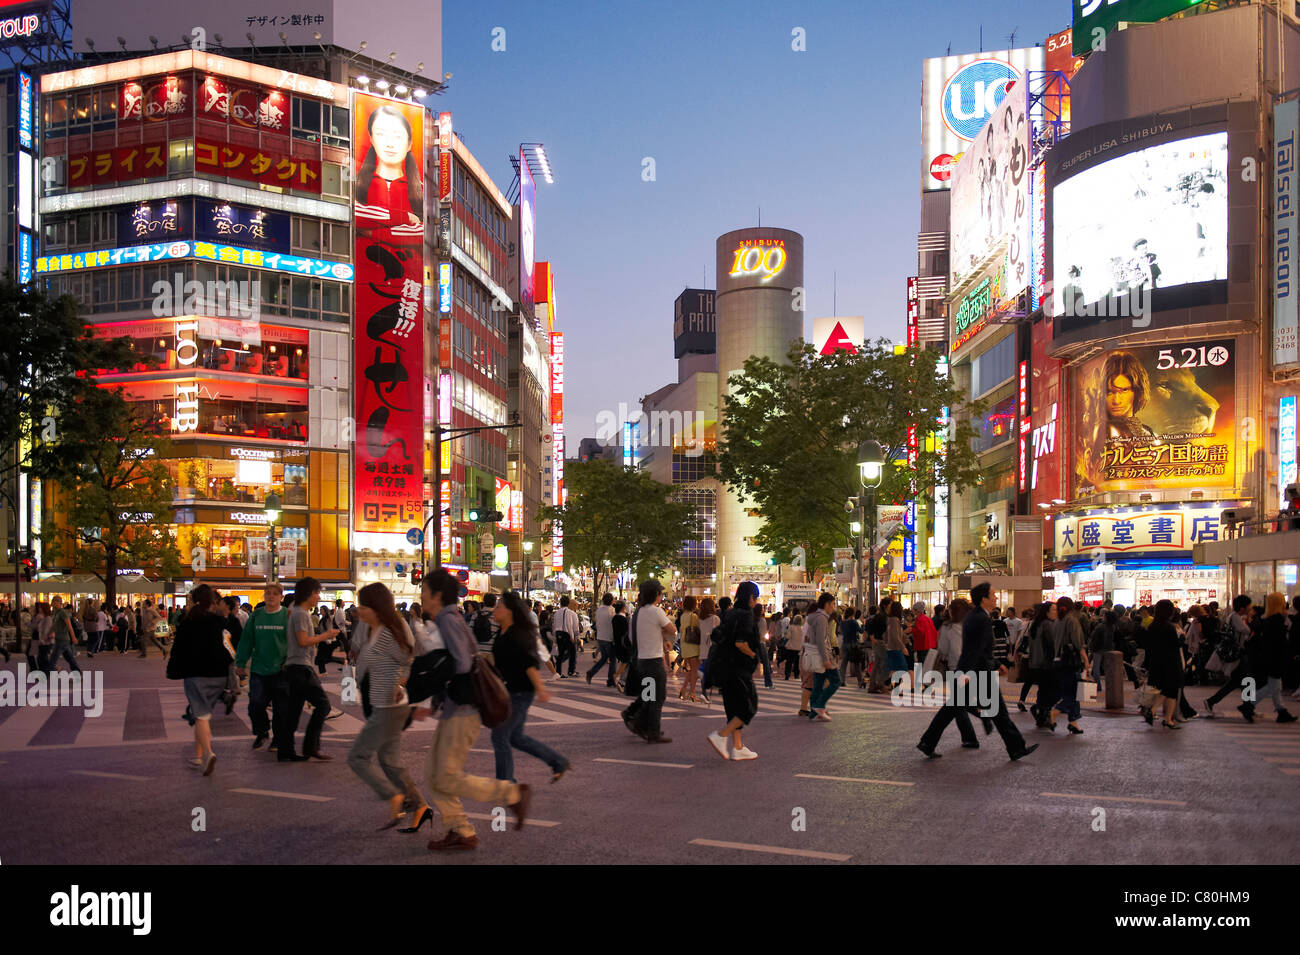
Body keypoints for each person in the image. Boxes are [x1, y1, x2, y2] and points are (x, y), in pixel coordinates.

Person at [418, 568, 530, 852]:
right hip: (454, 708)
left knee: (445, 775)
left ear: (436, 595)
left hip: (463, 710)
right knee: (434, 774)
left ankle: (510, 792)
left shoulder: (448, 620)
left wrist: (431, 678)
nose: (421, 595)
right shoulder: (448, 619)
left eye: (424, 590)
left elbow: (462, 664)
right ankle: (460, 829)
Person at [917, 583, 1038, 761]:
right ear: (984, 598)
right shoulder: (979, 618)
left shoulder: (976, 616)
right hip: (977, 674)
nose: (996, 598)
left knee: (952, 709)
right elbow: (974, 649)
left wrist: (995, 663)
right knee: (995, 712)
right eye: (993, 595)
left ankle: (927, 742)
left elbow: (977, 649)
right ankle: (1016, 748)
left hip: (974, 671)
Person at [347, 582, 429, 829]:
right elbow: (358, 652)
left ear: (376, 606)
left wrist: (399, 683)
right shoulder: (369, 627)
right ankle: (420, 805)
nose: (359, 610)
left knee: (358, 757)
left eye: (364, 605)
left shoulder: (392, 629)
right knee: (388, 758)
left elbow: (410, 659)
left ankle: (395, 796)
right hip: (375, 698)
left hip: (389, 703)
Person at [490, 591, 570, 783]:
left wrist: (540, 688)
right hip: (510, 690)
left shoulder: (517, 635)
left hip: (520, 692)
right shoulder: (502, 633)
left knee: (500, 735)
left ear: (509, 612)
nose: (495, 609)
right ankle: (557, 761)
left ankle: (506, 784)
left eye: (499, 606)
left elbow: (528, 664)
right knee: (515, 737)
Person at [168, 585, 236, 776]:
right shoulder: (219, 622)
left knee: (201, 716)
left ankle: (207, 753)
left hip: (196, 674)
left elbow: (178, 649)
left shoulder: (188, 622)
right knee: (203, 716)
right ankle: (198, 755)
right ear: (212, 602)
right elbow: (229, 647)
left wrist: (173, 669)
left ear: (193, 600)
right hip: (219, 675)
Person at [275, 577, 340, 762]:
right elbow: (303, 641)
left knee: (294, 711)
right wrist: (325, 635)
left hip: (295, 667)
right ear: (309, 594)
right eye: (317, 593)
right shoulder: (301, 614)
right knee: (323, 705)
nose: (318, 597)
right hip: (301, 667)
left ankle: (286, 750)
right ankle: (310, 746)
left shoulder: (295, 611)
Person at [706, 581, 763, 760]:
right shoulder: (747, 615)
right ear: (751, 597)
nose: (756, 601)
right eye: (756, 597)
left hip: (724, 667)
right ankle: (721, 735)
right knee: (749, 706)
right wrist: (754, 656)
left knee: (734, 707)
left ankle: (737, 747)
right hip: (739, 668)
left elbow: (719, 635)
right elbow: (740, 643)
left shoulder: (729, 614)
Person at [235, 583, 290, 751]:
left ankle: (277, 739)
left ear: (281, 596)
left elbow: (293, 642)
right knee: (255, 704)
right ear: (264, 596)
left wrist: (288, 661)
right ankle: (262, 731)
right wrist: (241, 662)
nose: (271, 596)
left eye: (275, 594)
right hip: (259, 669)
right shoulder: (257, 615)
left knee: (280, 708)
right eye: (268, 593)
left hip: (280, 670)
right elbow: (247, 639)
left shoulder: (287, 615)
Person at [621, 579, 676, 744]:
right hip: (653, 662)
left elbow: (632, 638)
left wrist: (658, 636)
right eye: (660, 593)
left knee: (648, 695)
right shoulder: (656, 611)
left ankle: (640, 722)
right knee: (657, 697)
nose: (661, 596)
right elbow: (672, 629)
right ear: (656, 594)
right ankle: (649, 729)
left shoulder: (637, 613)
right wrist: (663, 635)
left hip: (641, 662)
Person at [1238, 593, 1298, 724]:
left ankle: (1281, 711)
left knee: (1276, 686)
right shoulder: (1277, 620)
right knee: (1273, 686)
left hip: (1269, 658)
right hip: (1275, 659)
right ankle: (1249, 706)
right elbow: (1279, 642)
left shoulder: (1268, 619)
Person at [1204, 595, 1253, 718]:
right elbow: (1246, 630)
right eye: (1248, 606)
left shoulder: (1233, 616)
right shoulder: (1236, 618)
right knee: (1247, 680)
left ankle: (1213, 701)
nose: (1250, 608)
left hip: (1237, 653)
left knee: (1238, 681)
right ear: (1242, 607)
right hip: (1238, 653)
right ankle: (1247, 707)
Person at [1048, 597, 1090, 735]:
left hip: (1058, 661)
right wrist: (1086, 659)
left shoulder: (1057, 622)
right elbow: (1078, 643)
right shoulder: (1072, 621)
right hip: (1070, 662)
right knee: (1072, 693)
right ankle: (1055, 711)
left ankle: (1073, 722)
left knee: (1071, 691)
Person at [803, 593, 842, 722]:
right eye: (832, 604)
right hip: (822, 656)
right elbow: (821, 641)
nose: (833, 607)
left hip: (814, 655)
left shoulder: (813, 617)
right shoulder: (822, 619)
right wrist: (826, 659)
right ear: (827, 604)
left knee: (818, 683)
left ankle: (814, 712)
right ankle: (819, 706)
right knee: (836, 680)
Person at [586, 592, 617, 686]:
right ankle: (611, 680)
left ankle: (592, 672)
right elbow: (614, 623)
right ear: (612, 601)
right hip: (609, 638)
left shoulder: (599, 610)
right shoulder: (612, 610)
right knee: (612, 660)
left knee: (604, 658)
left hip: (600, 637)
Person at [677, 595, 702, 701]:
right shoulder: (694, 616)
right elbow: (699, 629)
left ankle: (683, 690)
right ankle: (692, 693)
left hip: (685, 644)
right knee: (695, 670)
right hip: (693, 645)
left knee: (691, 670)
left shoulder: (683, 616)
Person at [48, 596, 81, 673]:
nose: (53, 603)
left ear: (60, 603)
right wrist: (49, 633)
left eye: (55, 602)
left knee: (53, 659)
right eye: (53, 602)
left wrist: (73, 637)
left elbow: (69, 625)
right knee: (70, 658)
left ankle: (45, 674)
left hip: (62, 639)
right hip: (60, 639)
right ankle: (77, 673)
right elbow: (54, 625)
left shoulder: (62, 613)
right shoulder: (56, 613)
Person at [552, 595, 580, 678]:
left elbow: (555, 624)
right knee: (573, 652)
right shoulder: (570, 613)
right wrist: (573, 636)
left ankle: (559, 672)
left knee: (561, 653)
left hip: (558, 633)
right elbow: (573, 626)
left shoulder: (557, 612)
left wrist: (555, 636)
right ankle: (571, 671)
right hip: (566, 634)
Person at [911, 601, 939, 678]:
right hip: (930, 644)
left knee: (920, 663)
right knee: (927, 665)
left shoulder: (919, 620)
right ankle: (926, 682)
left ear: (917, 610)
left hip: (922, 645)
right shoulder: (928, 619)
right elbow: (934, 632)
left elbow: (920, 632)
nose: (912, 611)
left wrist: (911, 630)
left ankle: (919, 682)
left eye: (913, 609)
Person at [885, 601, 909, 686]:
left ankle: (892, 685)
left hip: (891, 647)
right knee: (902, 668)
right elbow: (895, 636)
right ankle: (889, 683)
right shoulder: (894, 620)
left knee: (897, 668)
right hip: (895, 648)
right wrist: (903, 647)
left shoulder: (891, 620)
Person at [783, 612, 804, 681]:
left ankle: (787, 675)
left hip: (791, 647)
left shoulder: (791, 627)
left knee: (789, 661)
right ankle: (796, 675)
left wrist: (785, 634)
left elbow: (788, 636)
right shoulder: (802, 628)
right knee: (797, 662)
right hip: (799, 647)